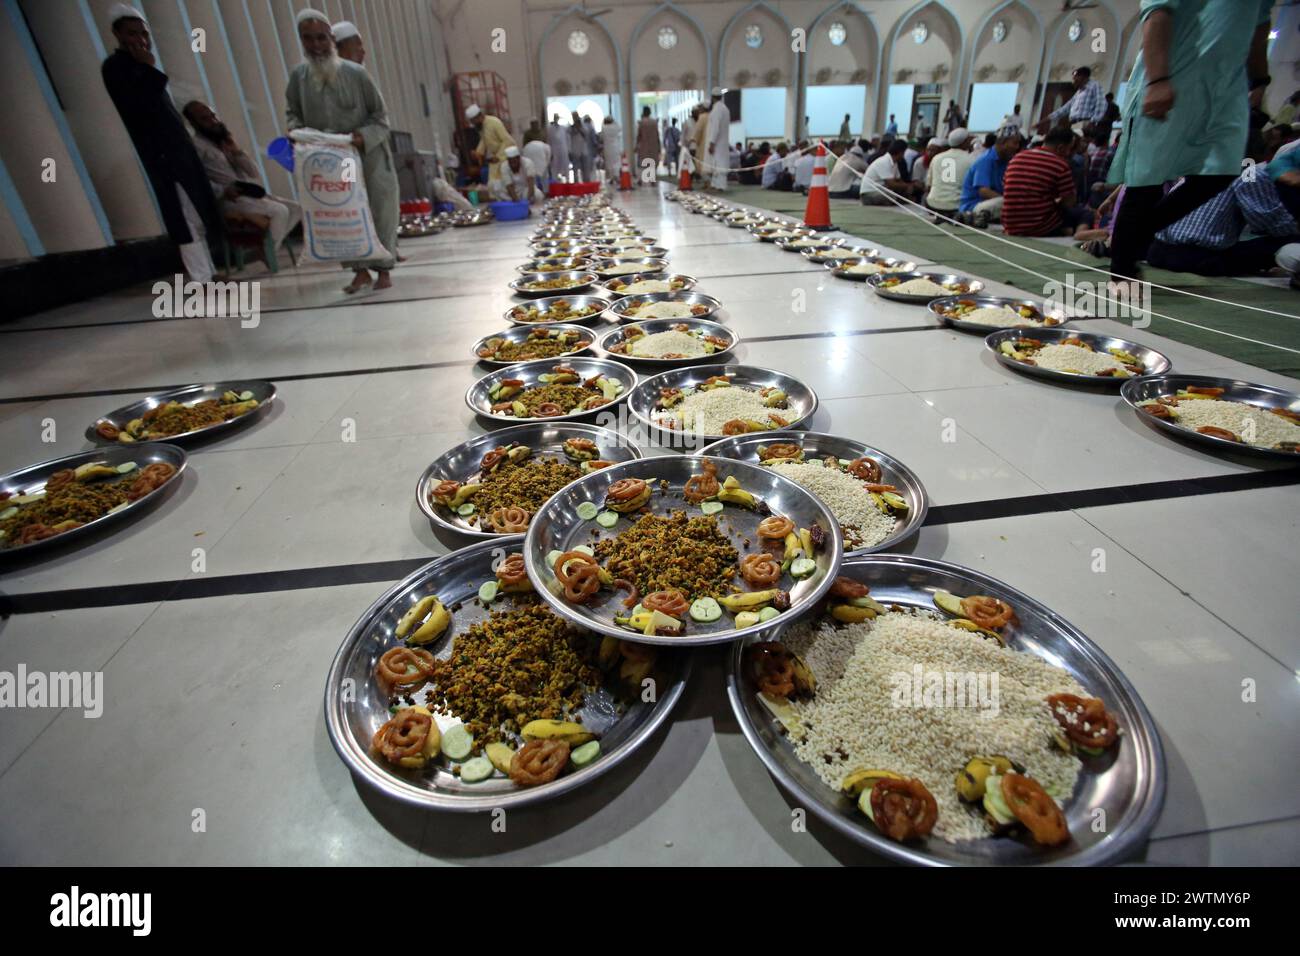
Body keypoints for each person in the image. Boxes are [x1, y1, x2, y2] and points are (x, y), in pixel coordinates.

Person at [1107, 0, 1274, 280]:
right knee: (1146, 181)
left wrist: (1260, 80)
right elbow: (1157, 13)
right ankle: (1122, 273)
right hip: (1173, 79)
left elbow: (1258, 24)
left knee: (1222, 171)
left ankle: (1134, 237)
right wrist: (1158, 80)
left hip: (1225, 89)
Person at [101, 4, 223, 283]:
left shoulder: (140, 67)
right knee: (185, 219)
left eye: (144, 34)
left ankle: (210, 274)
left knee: (197, 216)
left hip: (180, 156)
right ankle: (202, 279)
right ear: (117, 34)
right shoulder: (116, 68)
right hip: (165, 159)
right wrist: (146, 68)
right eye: (133, 34)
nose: (141, 40)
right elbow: (139, 106)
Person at [287, 10, 398, 292]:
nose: (316, 45)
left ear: (331, 40)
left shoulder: (356, 74)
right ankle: (359, 271)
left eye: (321, 38)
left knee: (380, 210)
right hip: (332, 162)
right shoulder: (299, 77)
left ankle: (384, 270)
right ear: (302, 41)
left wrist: (362, 137)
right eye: (308, 39)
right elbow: (293, 115)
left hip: (368, 156)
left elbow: (381, 118)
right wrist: (298, 134)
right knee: (343, 213)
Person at [1148, 142, 1300, 275]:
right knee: (1285, 240)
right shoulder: (1250, 172)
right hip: (1195, 258)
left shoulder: (1202, 165)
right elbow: (1268, 220)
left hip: (1156, 251)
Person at [183, 101, 301, 258]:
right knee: (280, 211)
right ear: (194, 123)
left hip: (250, 195)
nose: (213, 121)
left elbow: (253, 173)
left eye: (213, 116)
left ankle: (267, 249)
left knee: (297, 208)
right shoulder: (196, 146)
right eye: (205, 119)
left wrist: (236, 151)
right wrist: (222, 190)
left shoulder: (224, 142)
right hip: (229, 199)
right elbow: (196, 179)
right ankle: (268, 251)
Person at [1001, 127, 1090, 237]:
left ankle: (1066, 229)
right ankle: (1078, 235)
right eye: (1069, 149)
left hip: (1010, 226)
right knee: (1085, 213)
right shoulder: (1060, 165)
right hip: (1038, 226)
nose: (1069, 153)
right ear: (1061, 148)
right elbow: (1069, 202)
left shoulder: (1017, 158)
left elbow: (1005, 186)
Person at [958, 132, 1019, 227]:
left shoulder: (1006, 161)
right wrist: (1009, 201)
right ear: (1003, 143)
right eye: (1014, 143)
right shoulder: (985, 160)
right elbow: (984, 191)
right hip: (973, 206)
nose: (1017, 147)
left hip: (992, 203)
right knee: (1009, 203)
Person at [465, 102, 516, 191]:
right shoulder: (482, 126)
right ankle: (499, 203)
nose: (473, 124)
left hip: (505, 157)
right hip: (495, 159)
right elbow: (484, 140)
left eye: (474, 121)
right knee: (492, 185)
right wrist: (478, 152)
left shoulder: (494, 122)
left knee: (504, 184)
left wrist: (498, 157)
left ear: (479, 116)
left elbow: (507, 140)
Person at [1040, 66, 1106, 131]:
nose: (1073, 80)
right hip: (1075, 124)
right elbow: (1064, 109)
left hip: (1086, 123)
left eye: (1075, 77)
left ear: (1083, 77)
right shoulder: (1079, 93)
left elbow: (1101, 104)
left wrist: (1093, 122)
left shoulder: (1094, 86)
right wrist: (1043, 121)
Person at [925, 128, 973, 217]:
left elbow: (928, 186)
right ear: (964, 142)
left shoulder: (936, 158)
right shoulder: (971, 159)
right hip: (956, 206)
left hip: (932, 204)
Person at [861, 140, 919, 205]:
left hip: (881, 192)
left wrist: (908, 188)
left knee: (897, 195)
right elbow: (891, 184)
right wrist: (908, 185)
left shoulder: (894, 163)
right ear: (901, 152)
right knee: (891, 197)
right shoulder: (884, 162)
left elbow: (899, 180)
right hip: (869, 194)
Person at [635, 106, 659, 186]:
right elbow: (657, 135)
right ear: (650, 112)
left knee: (642, 164)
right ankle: (652, 180)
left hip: (644, 145)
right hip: (653, 145)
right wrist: (659, 146)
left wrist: (636, 145)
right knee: (652, 163)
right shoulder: (654, 122)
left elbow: (639, 135)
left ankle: (640, 180)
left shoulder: (641, 122)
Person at [568, 111, 592, 182]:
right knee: (575, 168)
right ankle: (576, 181)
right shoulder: (571, 127)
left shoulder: (583, 126)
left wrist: (579, 127)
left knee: (585, 168)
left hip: (584, 150)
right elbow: (569, 135)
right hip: (575, 150)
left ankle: (586, 181)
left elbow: (586, 135)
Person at [600, 115, 622, 187]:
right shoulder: (615, 127)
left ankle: (612, 178)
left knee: (609, 163)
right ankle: (617, 176)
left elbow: (601, 137)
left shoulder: (604, 127)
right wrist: (614, 121)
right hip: (615, 147)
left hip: (607, 148)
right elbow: (619, 127)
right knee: (616, 162)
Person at [547, 113, 570, 182]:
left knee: (565, 164)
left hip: (563, 149)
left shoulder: (563, 128)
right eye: (555, 118)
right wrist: (550, 152)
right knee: (555, 166)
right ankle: (555, 181)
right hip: (554, 150)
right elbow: (549, 140)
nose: (556, 119)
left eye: (557, 118)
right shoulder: (550, 129)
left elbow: (567, 139)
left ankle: (567, 180)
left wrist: (568, 149)